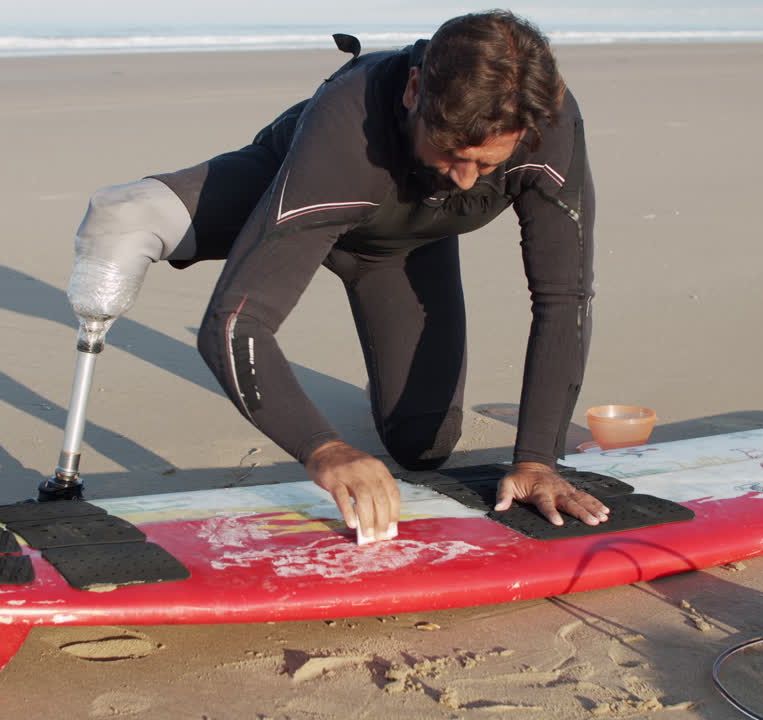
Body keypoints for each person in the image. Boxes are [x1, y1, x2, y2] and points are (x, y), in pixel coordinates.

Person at [66, 10, 609, 542]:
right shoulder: (345, 130)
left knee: (425, 447)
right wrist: (323, 448)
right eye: (450, 154)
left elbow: (564, 297)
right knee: (124, 219)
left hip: (398, 247)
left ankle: (387, 374)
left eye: (487, 166)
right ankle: (65, 469)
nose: (468, 183)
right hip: (290, 193)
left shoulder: (545, 120)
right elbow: (233, 324)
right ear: (414, 88)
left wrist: (537, 458)